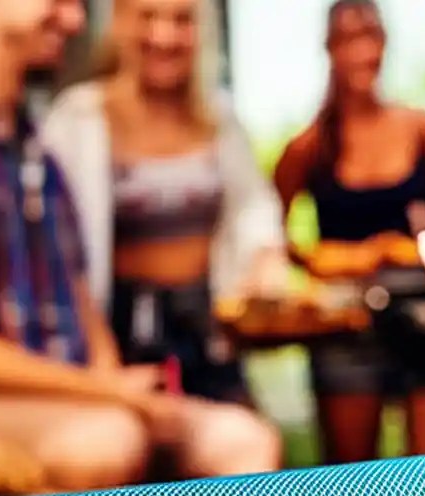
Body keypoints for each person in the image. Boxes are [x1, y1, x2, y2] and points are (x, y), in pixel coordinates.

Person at [0, 0, 282, 492]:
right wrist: (102, 390)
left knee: (243, 441)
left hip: (71, 399)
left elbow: (79, 303)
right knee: (106, 443)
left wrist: (115, 383)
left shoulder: (34, 151)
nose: (74, 20)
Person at [42, 0, 287, 404]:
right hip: (116, 335)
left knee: (246, 435)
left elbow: (255, 209)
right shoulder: (78, 117)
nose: (165, 36)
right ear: (119, 22)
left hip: (208, 333)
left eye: (182, 20)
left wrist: (264, 263)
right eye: (149, 17)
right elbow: (55, 247)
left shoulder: (218, 118)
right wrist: (100, 360)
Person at [273, 0, 425, 464]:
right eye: (348, 40)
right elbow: (271, 236)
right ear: (329, 49)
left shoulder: (421, 131)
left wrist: (405, 252)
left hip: (419, 318)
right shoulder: (309, 148)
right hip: (346, 325)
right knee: (351, 476)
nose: (362, 53)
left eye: (371, 37)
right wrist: (338, 260)